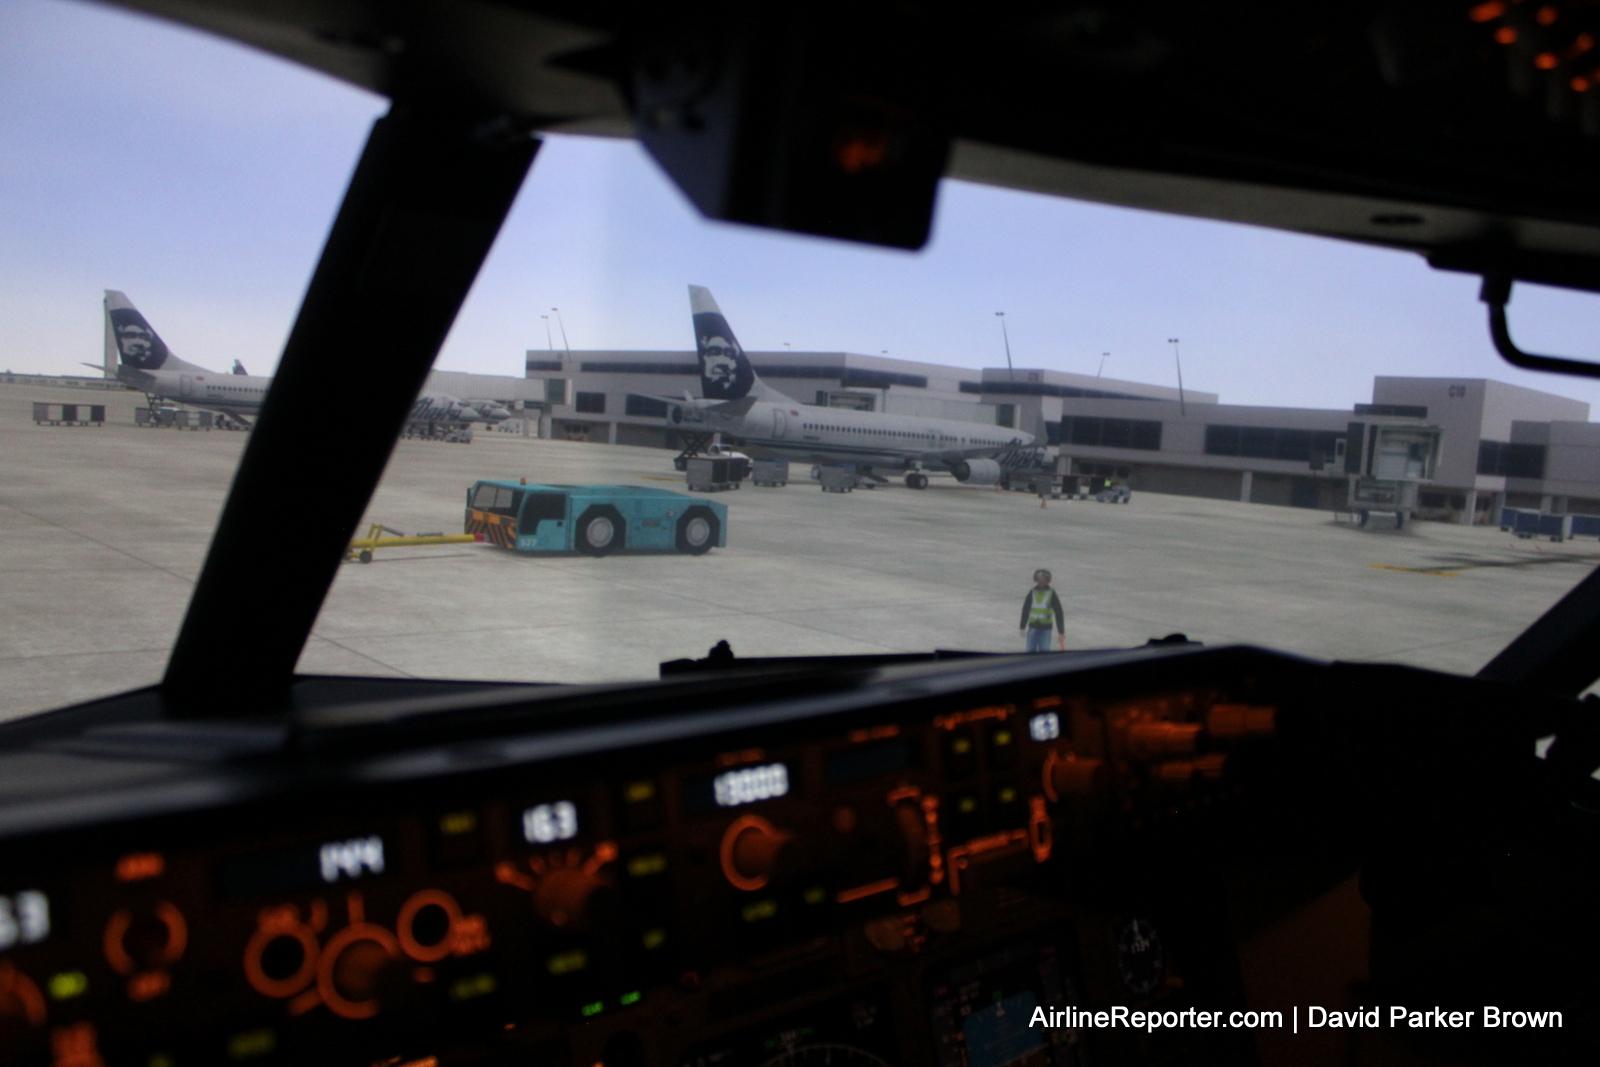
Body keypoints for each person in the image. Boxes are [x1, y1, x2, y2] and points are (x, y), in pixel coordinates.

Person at [1019, 569, 1065, 652]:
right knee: (1030, 651)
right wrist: (1022, 627)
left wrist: (1061, 632)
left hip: (1046, 629)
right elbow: (1025, 610)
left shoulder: (1051, 594)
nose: (1041, 582)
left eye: (1044, 580)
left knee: (1044, 652)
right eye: (1039, 579)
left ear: (1047, 581)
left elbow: (1059, 612)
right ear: (1036, 580)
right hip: (1033, 627)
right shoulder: (1032, 593)